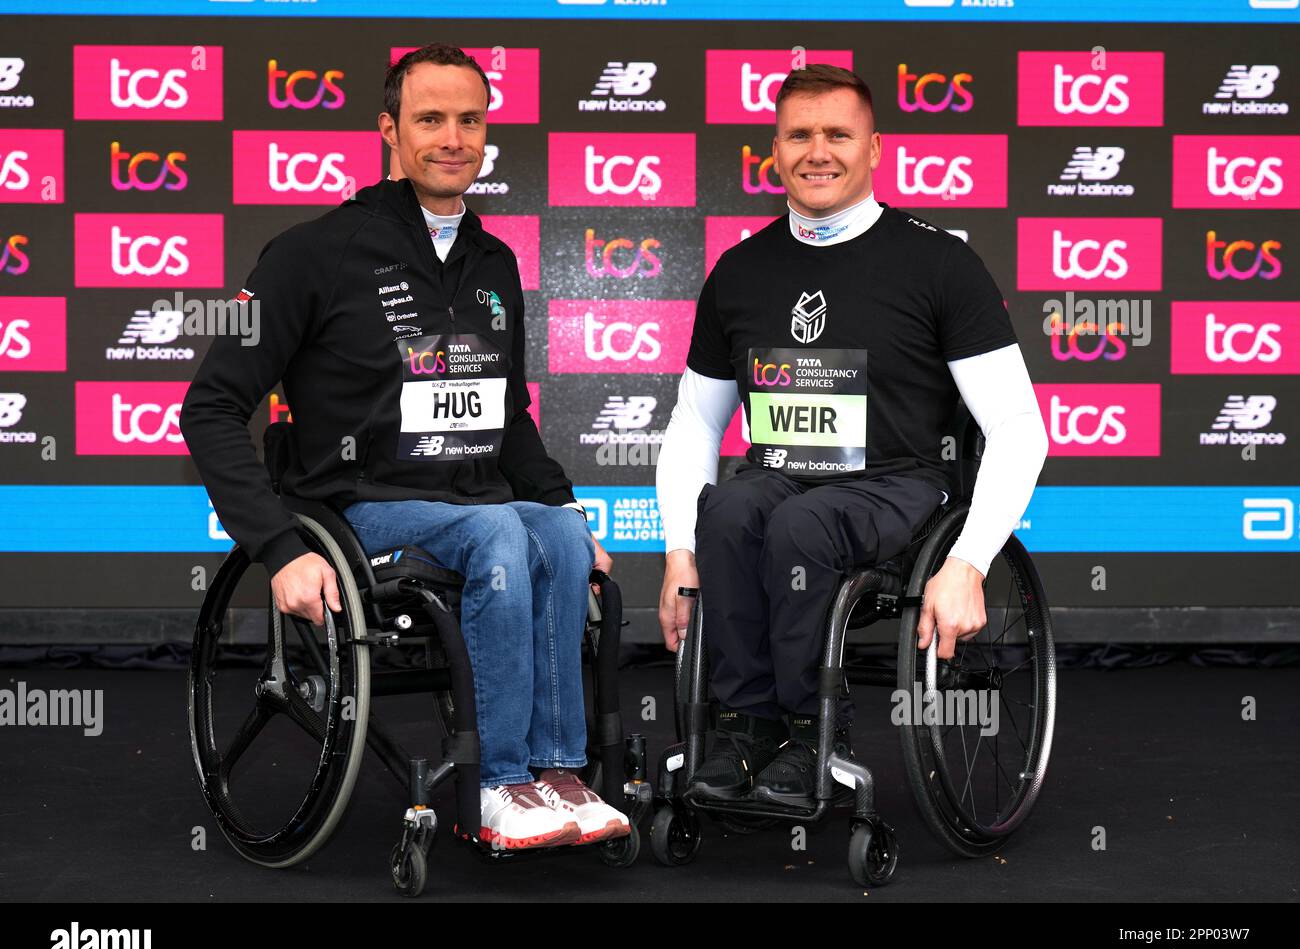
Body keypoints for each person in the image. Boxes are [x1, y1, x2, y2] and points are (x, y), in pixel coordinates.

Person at [181, 43, 628, 851]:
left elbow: (508, 414)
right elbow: (210, 405)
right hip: (360, 514)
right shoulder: (311, 254)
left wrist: (563, 504)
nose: (452, 137)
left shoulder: (494, 260)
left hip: (469, 505)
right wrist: (279, 547)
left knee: (558, 531)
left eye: (469, 119)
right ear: (389, 129)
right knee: (497, 530)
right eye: (430, 119)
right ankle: (496, 786)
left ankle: (557, 774)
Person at [655, 64, 1049, 808]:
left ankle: (811, 736)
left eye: (838, 134)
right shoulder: (740, 270)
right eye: (799, 135)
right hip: (779, 483)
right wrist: (680, 552)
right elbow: (695, 422)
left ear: (874, 149)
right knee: (731, 511)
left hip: (897, 486)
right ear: (774, 150)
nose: (818, 151)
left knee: (800, 523)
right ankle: (744, 731)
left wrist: (969, 561)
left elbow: (1017, 424)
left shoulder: (939, 263)